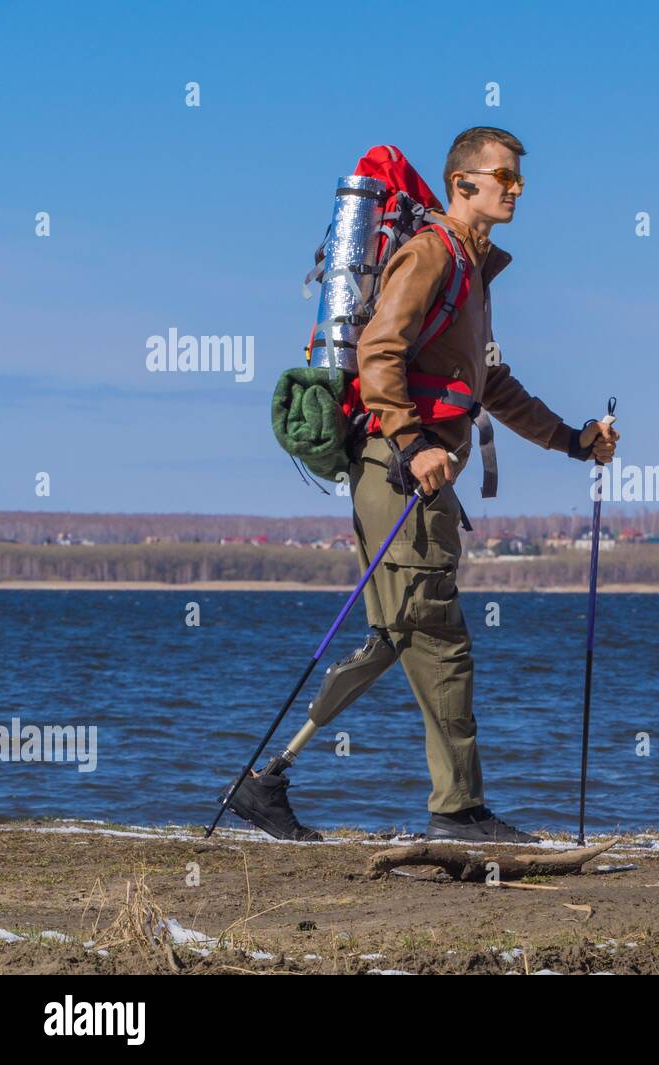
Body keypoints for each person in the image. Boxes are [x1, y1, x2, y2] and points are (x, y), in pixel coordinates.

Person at [226, 127, 618, 843]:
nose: (515, 189)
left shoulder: (470, 268)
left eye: (520, 180)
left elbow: (488, 382)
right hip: (400, 472)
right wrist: (411, 442)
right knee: (440, 638)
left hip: (411, 473)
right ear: (463, 183)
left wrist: (572, 439)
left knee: (393, 636)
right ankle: (459, 812)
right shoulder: (433, 253)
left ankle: (265, 783)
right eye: (505, 177)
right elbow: (378, 351)